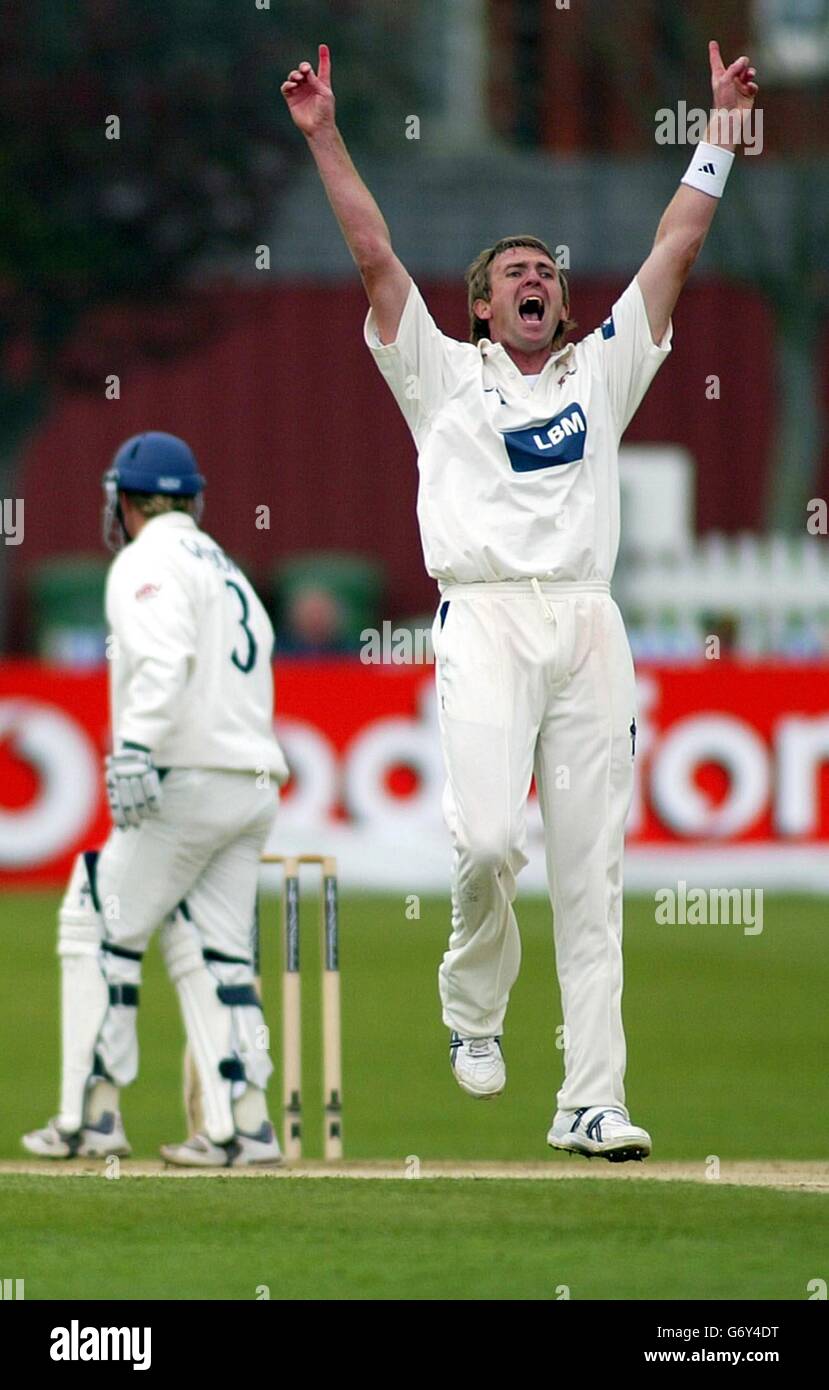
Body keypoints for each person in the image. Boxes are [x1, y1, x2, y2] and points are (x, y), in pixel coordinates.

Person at [282, 42, 758, 1160]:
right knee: (491, 841)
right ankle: (471, 1006)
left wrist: (723, 129)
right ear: (484, 310)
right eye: (512, 274)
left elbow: (677, 247)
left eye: (545, 267)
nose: (534, 277)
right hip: (484, 615)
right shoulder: (439, 374)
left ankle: (590, 1099)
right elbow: (369, 251)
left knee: (590, 875)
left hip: (587, 621)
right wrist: (322, 134)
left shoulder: (601, 370)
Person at [22, 431, 289, 1167]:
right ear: (191, 498)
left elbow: (165, 658)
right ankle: (245, 1126)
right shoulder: (226, 568)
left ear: (127, 502)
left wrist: (136, 746)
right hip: (251, 780)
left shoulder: (146, 561)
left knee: (96, 918)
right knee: (217, 951)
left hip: (188, 774)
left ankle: (90, 1117)